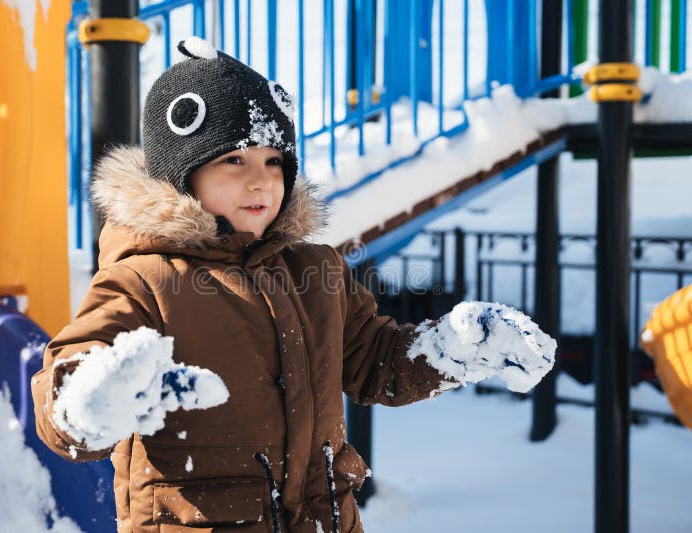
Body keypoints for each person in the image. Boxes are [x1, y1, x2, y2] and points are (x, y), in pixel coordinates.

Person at [31, 37, 554, 533]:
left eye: (273, 161)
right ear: (180, 175)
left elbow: (374, 360)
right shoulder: (144, 280)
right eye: (233, 160)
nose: (260, 180)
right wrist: (89, 399)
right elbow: (76, 368)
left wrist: (453, 348)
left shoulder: (315, 272)